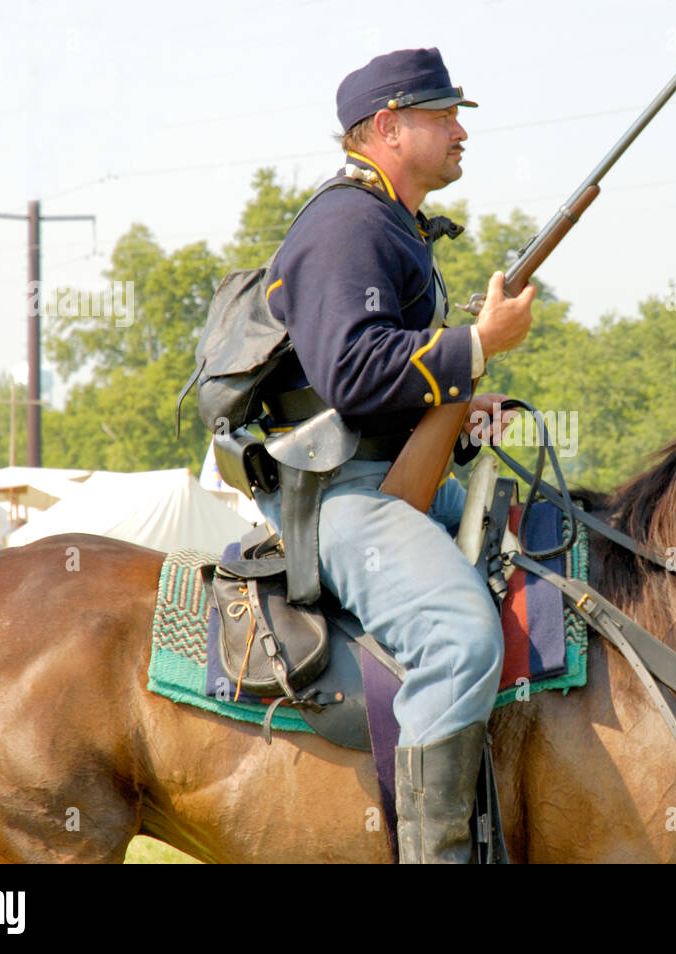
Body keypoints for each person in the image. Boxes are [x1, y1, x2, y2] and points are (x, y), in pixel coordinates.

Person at [260, 48, 536, 863]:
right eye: (443, 116)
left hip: (384, 471)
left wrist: (461, 402)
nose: (460, 132)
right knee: (460, 640)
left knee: (547, 548)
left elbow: (387, 377)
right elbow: (351, 373)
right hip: (342, 489)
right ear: (387, 128)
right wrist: (476, 346)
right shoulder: (349, 223)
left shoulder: (391, 222)